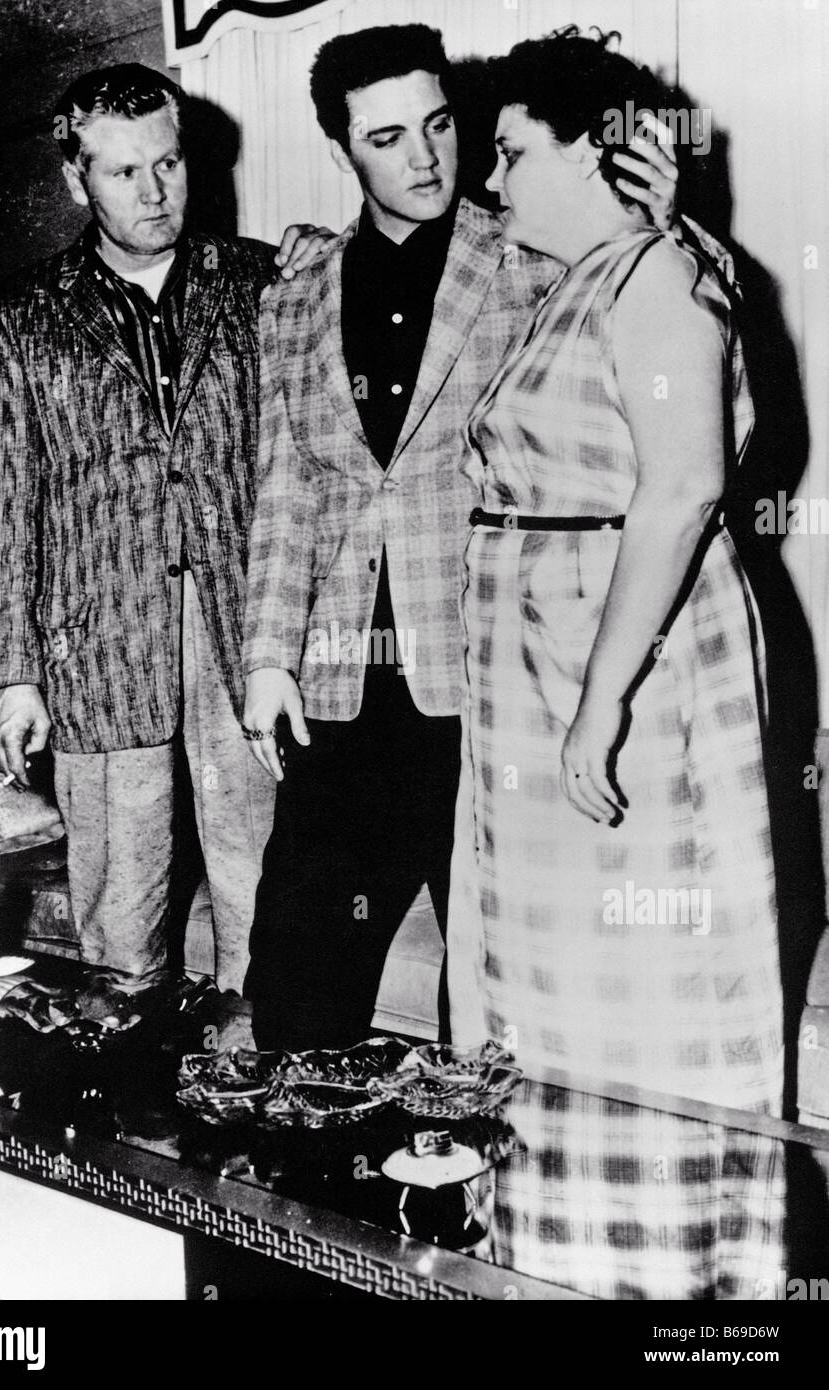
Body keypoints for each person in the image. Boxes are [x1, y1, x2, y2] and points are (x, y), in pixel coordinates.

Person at [241, 25, 678, 1051]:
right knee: (298, 976)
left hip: (492, 680)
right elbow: (286, 485)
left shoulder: (528, 253)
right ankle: (293, 1199)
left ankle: (463, 1205)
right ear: (343, 149)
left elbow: (667, 318)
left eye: (438, 124)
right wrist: (265, 656)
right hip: (340, 688)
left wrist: (670, 224)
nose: (425, 157)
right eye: (387, 137)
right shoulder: (296, 292)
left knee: (490, 993)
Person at [444, 30, 785, 1292]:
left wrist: (593, 713)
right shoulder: (593, 274)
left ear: (597, 147)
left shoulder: (650, 273)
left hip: (622, 685)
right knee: (556, 991)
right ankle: (558, 1259)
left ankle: (667, 1285)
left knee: (647, 995)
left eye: (511, 149)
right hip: (549, 678)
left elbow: (684, 483)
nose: (489, 180)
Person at [0, 64, 330, 1023]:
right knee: (121, 912)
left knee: (261, 883)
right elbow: (9, 507)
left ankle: (265, 1079)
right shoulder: (20, 318)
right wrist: (14, 671)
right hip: (98, 641)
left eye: (168, 162)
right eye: (124, 172)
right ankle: (129, 1095)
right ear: (74, 180)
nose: (155, 191)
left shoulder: (263, 282)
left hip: (242, 634)